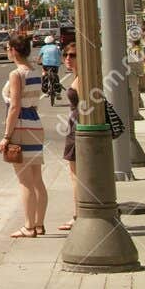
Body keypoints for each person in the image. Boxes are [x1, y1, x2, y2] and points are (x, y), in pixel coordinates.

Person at [0, 30, 48, 238]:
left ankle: (28, 226)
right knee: (37, 178)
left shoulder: (16, 74)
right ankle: (39, 224)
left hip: (20, 126)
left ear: (15, 51)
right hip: (35, 124)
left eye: (8, 48)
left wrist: (6, 136)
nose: (7, 52)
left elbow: (14, 106)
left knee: (24, 180)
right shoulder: (35, 70)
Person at [57, 41, 79, 232]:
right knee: (76, 175)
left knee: (76, 177)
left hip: (78, 132)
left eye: (72, 55)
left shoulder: (83, 79)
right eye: (66, 55)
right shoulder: (77, 77)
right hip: (74, 129)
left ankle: (78, 215)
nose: (67, 59)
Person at [39, 35, 61, 105]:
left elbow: (39, 56)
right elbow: (60, 55)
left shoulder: (43, 47)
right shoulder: (56, 47)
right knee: (55, 75)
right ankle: (58, 92)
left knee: (44, 74)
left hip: (46, 65)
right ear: (53, 41)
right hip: (55, 65)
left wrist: (38, 62)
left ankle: (45, 90)